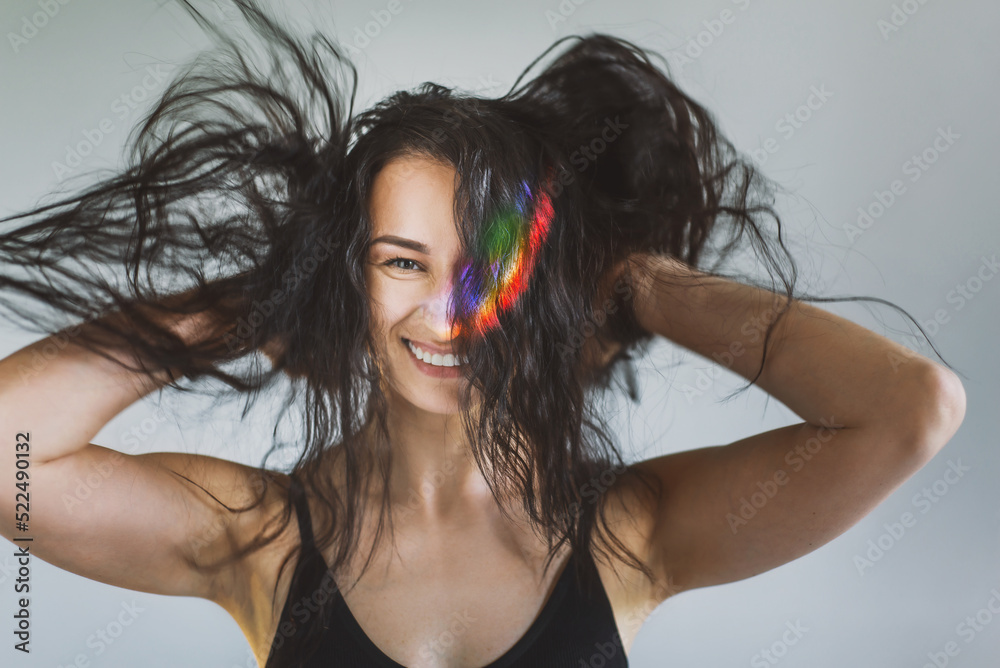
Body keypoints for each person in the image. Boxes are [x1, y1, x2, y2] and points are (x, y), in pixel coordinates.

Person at [0, 2, 966, 667]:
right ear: (353, 279)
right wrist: (257, 299)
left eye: (486, 267)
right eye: (403, 262)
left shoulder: (630, 534)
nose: (450, 314)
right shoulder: (255, 536)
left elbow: (909, 409)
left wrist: (633, 281)